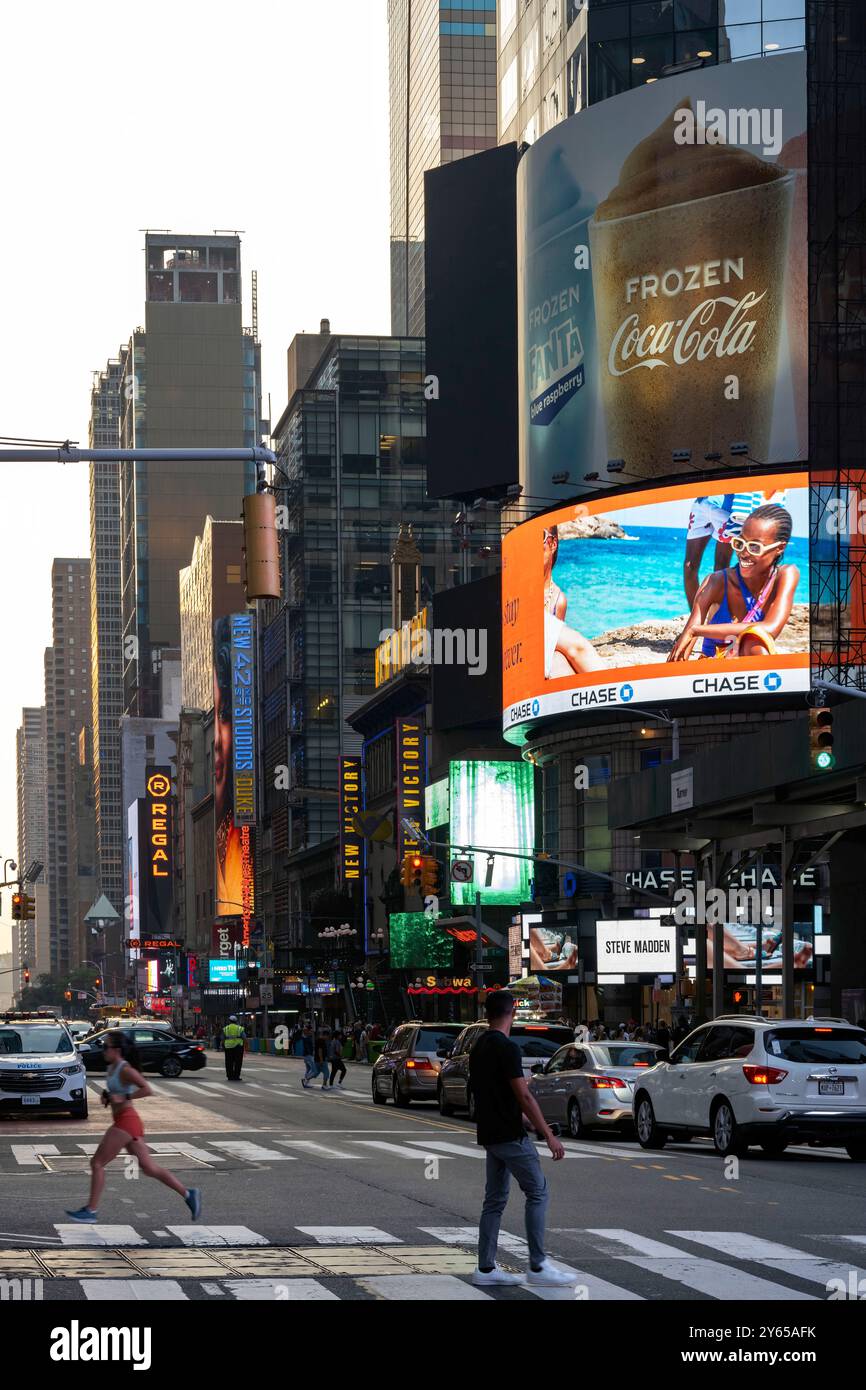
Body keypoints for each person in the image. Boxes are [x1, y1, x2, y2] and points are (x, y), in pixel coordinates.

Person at [468, 990, 574, 1288]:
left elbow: (494, 1096)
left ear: (488, 1014)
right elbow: (523, 1094)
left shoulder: (478, 1047)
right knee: (537, 1192)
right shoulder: (507, 1048)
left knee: (494, 1201)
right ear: (512, 1012)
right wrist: (548, 1134)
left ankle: (486, 1269)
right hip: (510, 1136)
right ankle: (538, 1266)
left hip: (490, 1134)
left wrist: (525, 1120)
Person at [66, 1032, 201, 1224]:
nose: (103, 1050)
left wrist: (124, 1098)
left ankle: (91, 1210)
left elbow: (146, 1089)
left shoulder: (125, 1069)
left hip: (126, 1121)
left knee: (97, 1163)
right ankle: (189, 1194)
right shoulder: (112, 1067)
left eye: (106, 1047)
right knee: (149, 1168)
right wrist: (108, 1096)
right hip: (126, 1120)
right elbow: (118, 1091)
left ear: (117, 1050)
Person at [669, 504, 799, 663]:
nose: (744, 553)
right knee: (753, 640)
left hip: (751, 669)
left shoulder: (785, 575)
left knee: (753, 640)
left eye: (754, 547)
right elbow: (683, 649)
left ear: (779, 548)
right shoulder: (716, 581)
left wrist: (697, 630)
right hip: (714, 670)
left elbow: (771, 628)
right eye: (740, 543)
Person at [543, 525, 605, 678]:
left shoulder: (558, 600)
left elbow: (551, 649)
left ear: (553, 544)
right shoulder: (517, 587)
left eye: (539, 536)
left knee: (558, 659)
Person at [223, 1014, 246, 1080]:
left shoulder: (226, 1028)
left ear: (229, 1021)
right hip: (238, 1047)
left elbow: (223, 1038)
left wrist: (223, 1046)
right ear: (236, 1021)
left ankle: (229, 1076)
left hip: (228, 1047)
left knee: (228, 1062)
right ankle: (236, 1076)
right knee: (238, 1062)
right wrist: (246, 1046)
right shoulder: (240, 1028)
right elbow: (244, 1037)